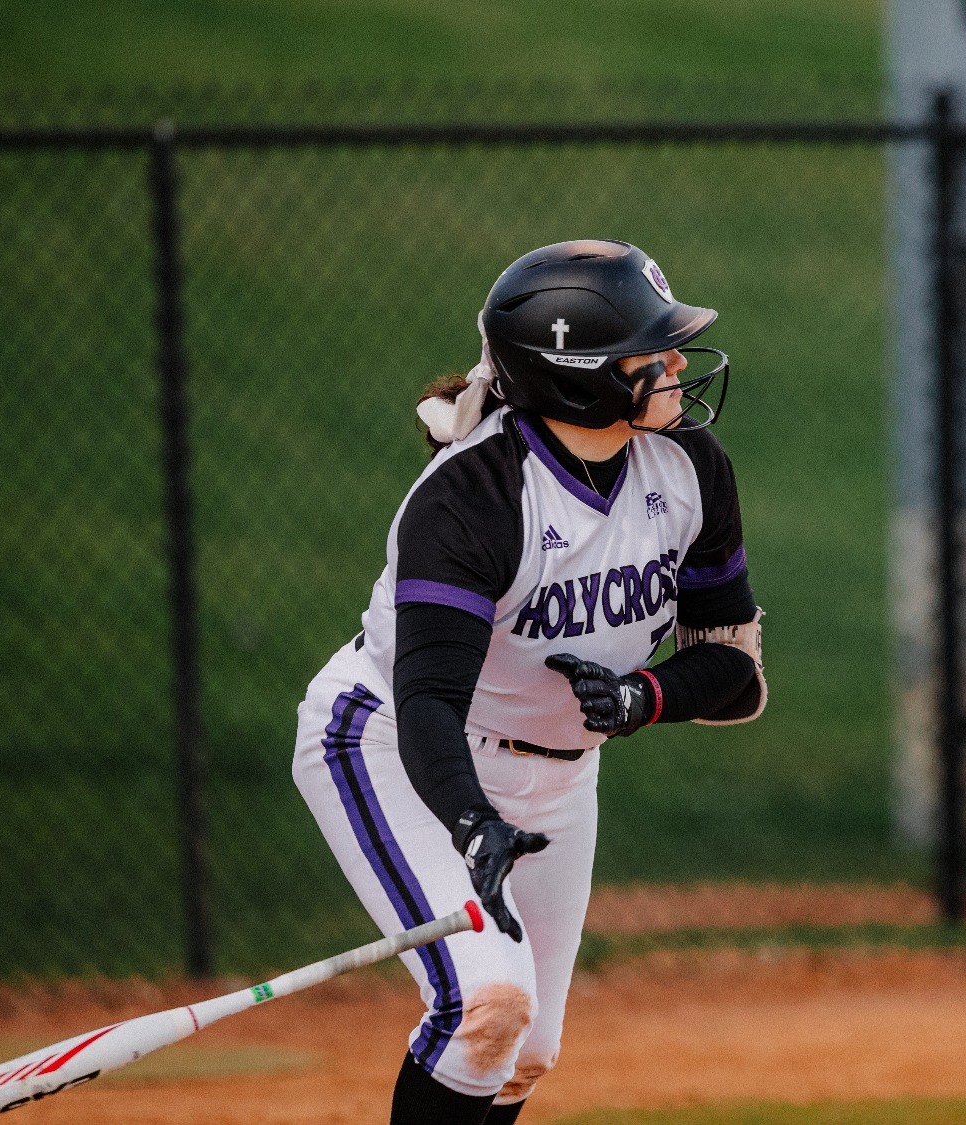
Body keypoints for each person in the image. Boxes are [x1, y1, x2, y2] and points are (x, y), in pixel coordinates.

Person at [290, 239, 767, 1124]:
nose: (675, 364)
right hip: (399, 746)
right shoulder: (471, 498)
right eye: (649, 351)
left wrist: (642, 698)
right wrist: (473, 822)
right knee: (487, 1005)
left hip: (557, 776)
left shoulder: (691, 469)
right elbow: (427, 698)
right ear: (577, 373)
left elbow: (734, 671)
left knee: (526, 1051)